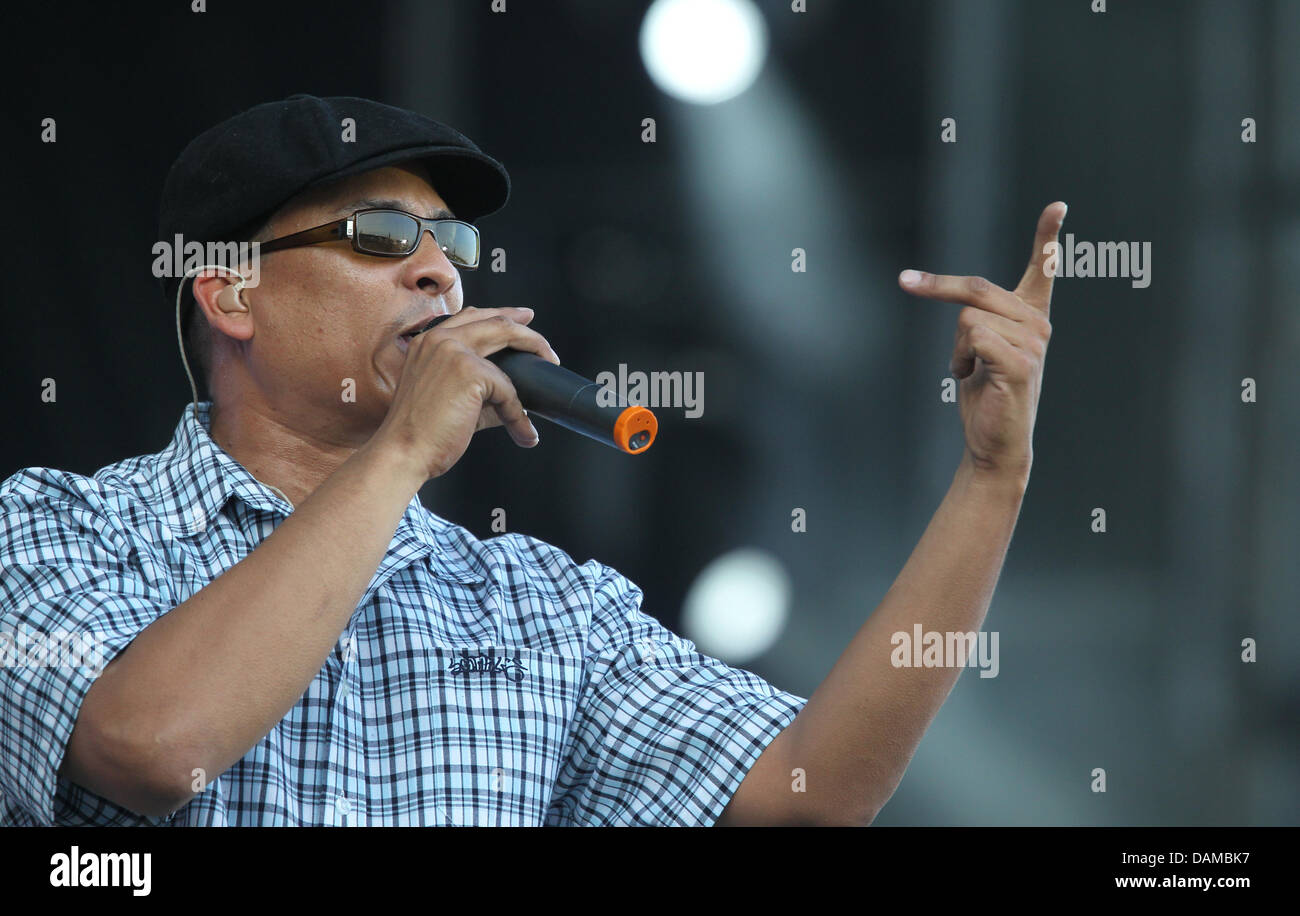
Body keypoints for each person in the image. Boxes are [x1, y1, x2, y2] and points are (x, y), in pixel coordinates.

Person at [0, 94, 1062, 826]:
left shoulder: (535, 605)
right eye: (378, 234)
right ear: (231, 289)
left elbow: (810, 791)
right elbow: (148, 745)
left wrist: (989, 480)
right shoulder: (56, 527)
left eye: (452, 247)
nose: (437, 275)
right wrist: (408, 446)